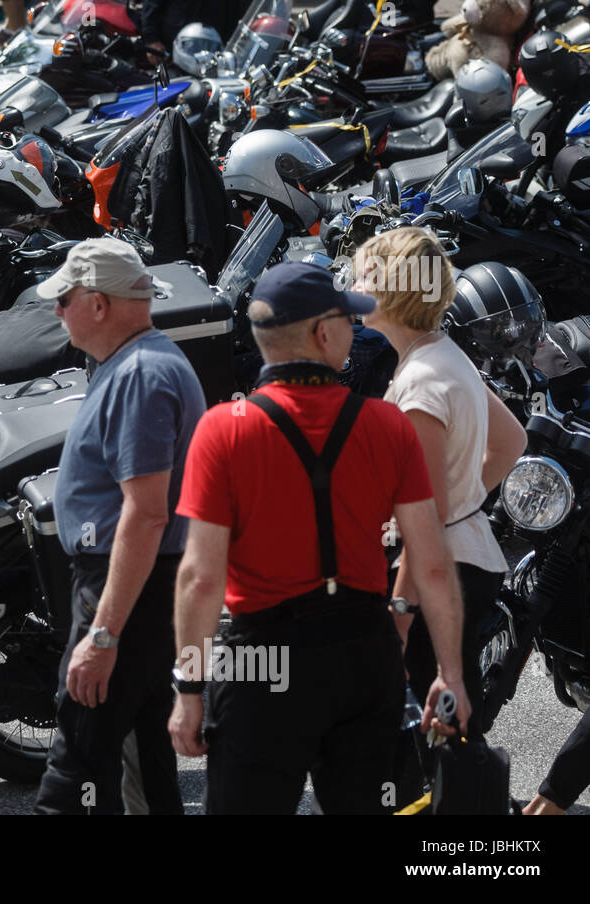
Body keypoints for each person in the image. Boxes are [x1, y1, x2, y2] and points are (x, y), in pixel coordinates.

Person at [168, 261, 472, 815]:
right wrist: (449, 675)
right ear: (322, 334)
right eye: (347, 323)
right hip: (364, 652)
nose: (355, 333)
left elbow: (199, 577)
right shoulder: (387, 424)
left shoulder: (223, 428)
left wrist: (189, 689)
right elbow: (431, 563)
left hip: (262, 658)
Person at [31, 236, 207, 815]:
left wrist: (102, 636)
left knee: (75, 773)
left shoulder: (139, 375)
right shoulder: (137, 362)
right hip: (141, 588)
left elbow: (147, 512)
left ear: (100, 304)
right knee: (143, 765)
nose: (57, 310)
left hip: (122, 590)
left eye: (66, 298)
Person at [355, 228, 527, 738]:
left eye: (364, 274)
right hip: (462, 563)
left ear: (392, 289)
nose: (352, 282)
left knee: (421, 744)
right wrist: (464, 504)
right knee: (448, 736)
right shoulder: (442, 353)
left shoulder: (420, 381)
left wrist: (400, 614)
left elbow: (422, 518)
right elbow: (511, 441)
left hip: (432, 578)